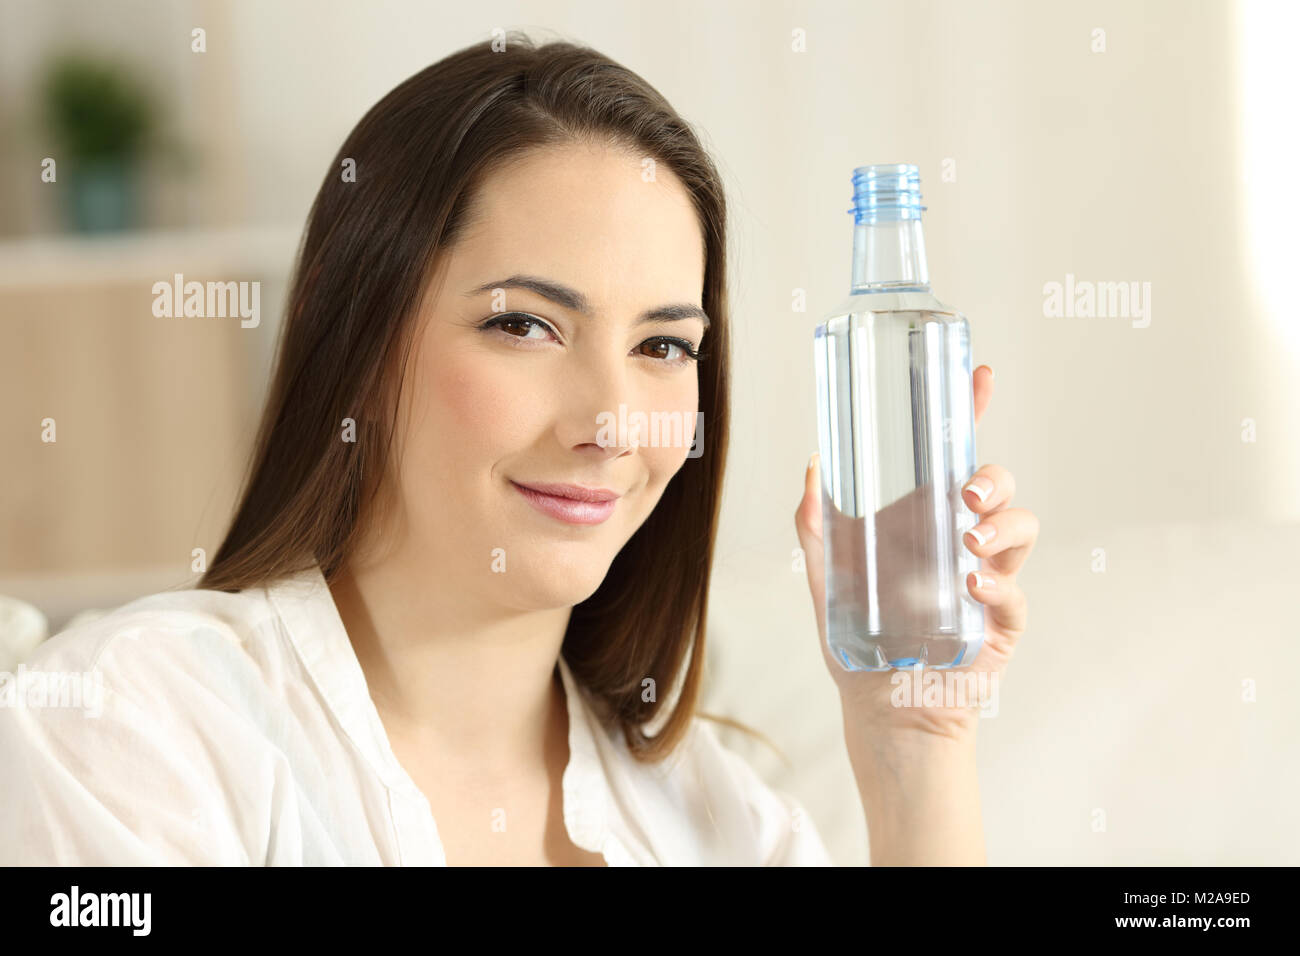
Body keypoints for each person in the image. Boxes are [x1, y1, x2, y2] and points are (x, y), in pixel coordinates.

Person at [0, 33, 1038, 866]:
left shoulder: (717, 819)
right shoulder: (136, 730)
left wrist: (915, 751)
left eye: (663, 345)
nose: (613, 417)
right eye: (524, 325)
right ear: (352, 330)